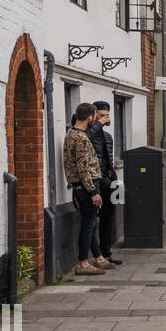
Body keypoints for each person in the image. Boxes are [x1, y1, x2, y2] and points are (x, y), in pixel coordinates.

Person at [63, 103, 105, 276]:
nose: (94, 119)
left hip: (82, 186)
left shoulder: (71, 134)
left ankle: (98, 258)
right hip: (87, 187)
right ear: (90, 117)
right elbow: (82, 167)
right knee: (88, 225)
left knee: (92, 223)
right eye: (94, 116)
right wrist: (93, 191)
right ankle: (83, 263)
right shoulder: (79, 137)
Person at [86, 101, 121, 268]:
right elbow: (85, 139)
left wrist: (114, 177)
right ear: (93, 117)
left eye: (106, 115)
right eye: (101, 116)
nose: (104, 119)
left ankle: (106, 252)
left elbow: (109, 161)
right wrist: (98, 125)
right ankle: (96, 255)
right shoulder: (88, 132)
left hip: (106, 177)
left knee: (110, 213)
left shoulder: (108, 137)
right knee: (91, 219)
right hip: (94, 179)